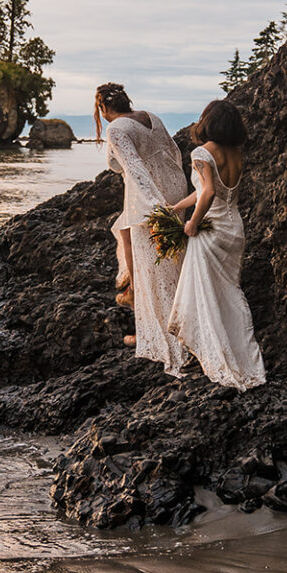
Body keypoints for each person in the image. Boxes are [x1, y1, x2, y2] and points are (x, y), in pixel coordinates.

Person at [167, 99, 266, 390]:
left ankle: (219, 354)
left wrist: (192, 223)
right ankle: (244, 356)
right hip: (233, 228)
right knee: (228, 292)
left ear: (208, 121)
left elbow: (208, 193)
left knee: (208, 293)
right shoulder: (235, 153)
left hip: (211, 229)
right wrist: (175, 208)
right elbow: (207, 193)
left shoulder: (201, 152)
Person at [95, 82, 189, 375]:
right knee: (173, 262)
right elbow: (174, 152)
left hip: (150, 198)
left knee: (156, 268)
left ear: (103, 108)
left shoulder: (116, 129)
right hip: (176, 186)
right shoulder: (150, 116)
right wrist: (176, 193)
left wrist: (158, 209)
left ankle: (166, 338)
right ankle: (167, 323)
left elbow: (135, 170)